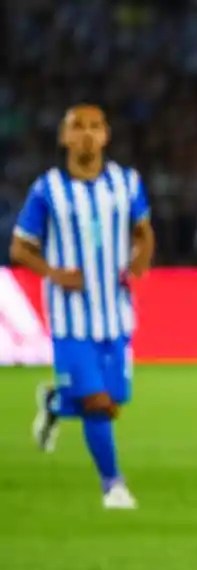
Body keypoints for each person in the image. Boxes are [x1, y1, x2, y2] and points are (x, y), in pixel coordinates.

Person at [8, 104, 154, 510]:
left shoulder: (127, 183)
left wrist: (141, 256)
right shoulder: (48, 190)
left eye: (94, 127)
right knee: (97, 404)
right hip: (71, 318)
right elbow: (20, 247)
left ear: (106, 135)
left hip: (116, 314)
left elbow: (143, 231)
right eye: (78, 128)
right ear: (64, 137)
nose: (87, 135)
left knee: (113, 400)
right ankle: (114, 486)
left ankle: (55, 403)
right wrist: (53, 272)